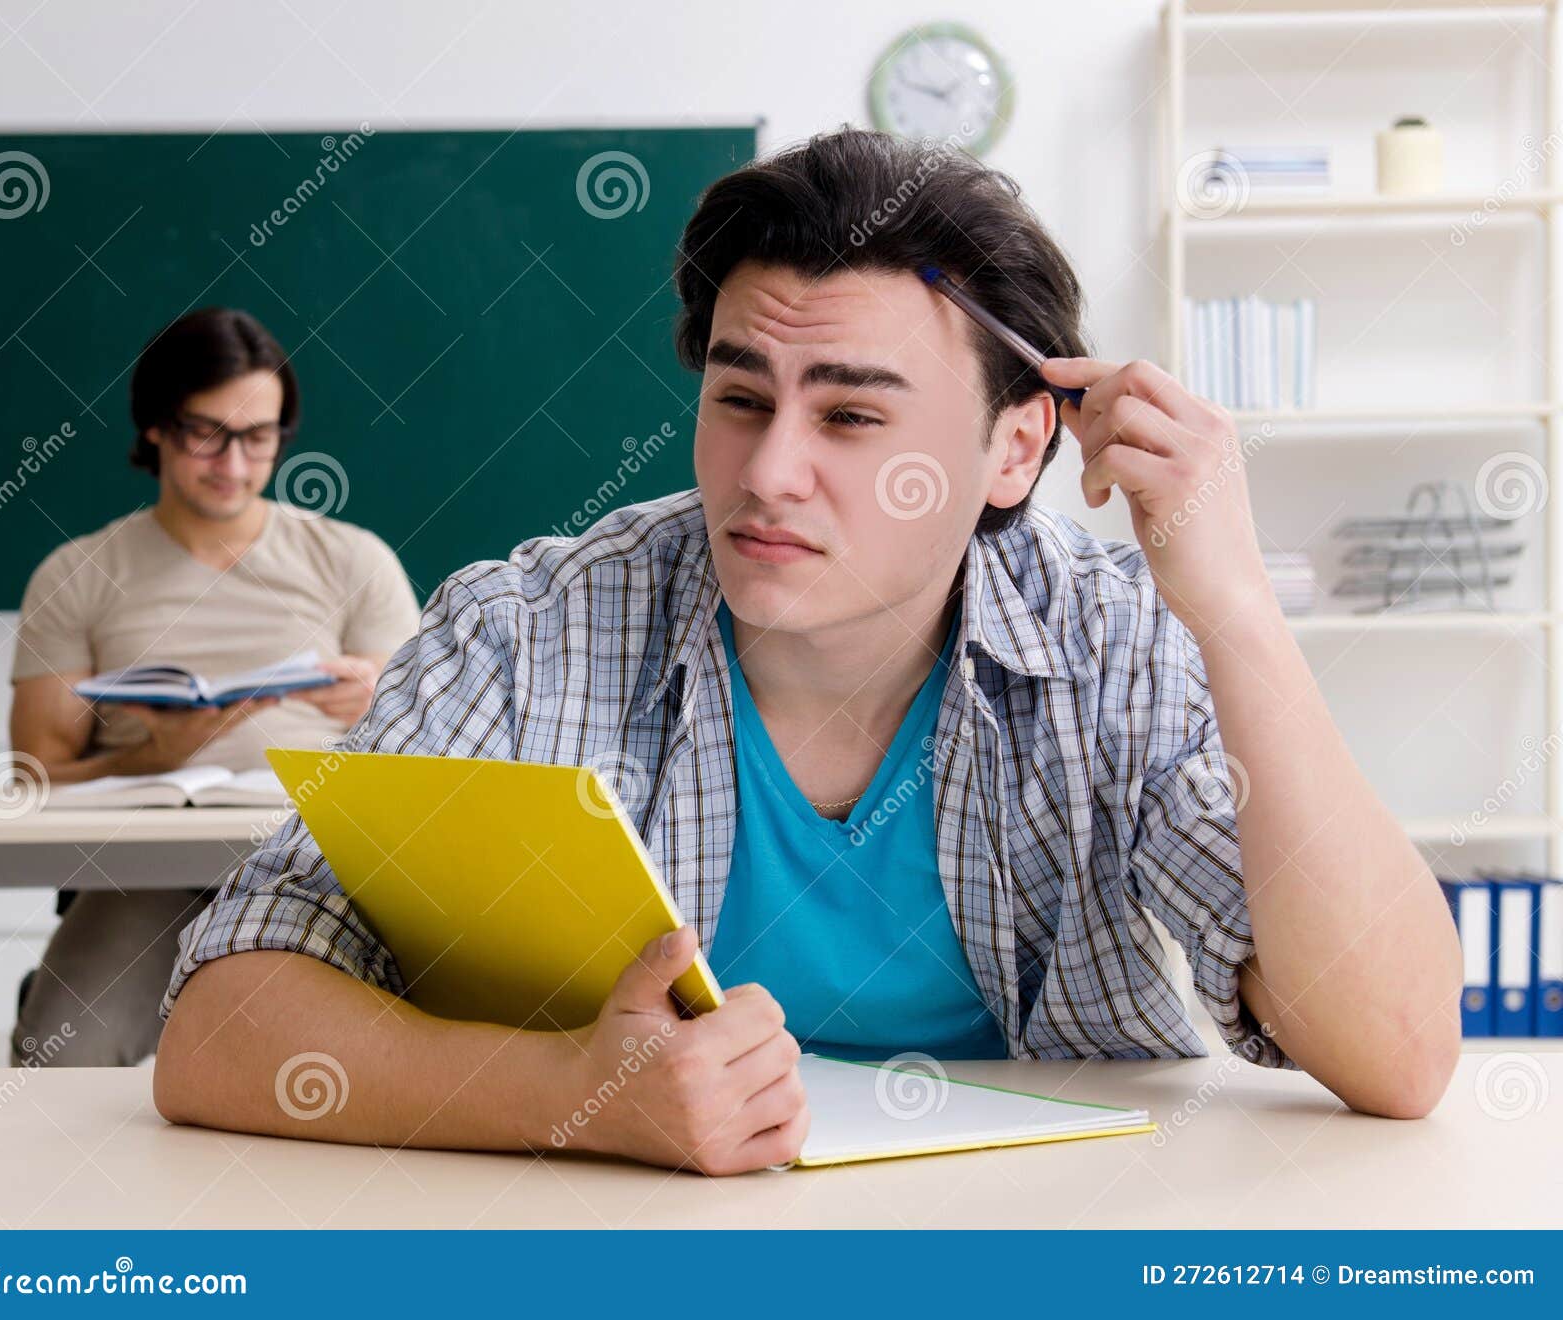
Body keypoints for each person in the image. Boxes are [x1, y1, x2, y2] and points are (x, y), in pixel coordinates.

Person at [153, 130, 1461, 1175]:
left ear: (1013, 453)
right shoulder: (524, 633)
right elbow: (218, 1030)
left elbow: (1400, 1054)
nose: (768, 474)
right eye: (738, 400)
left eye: (850, 415)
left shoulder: (1114, 640)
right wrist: (579, 1096)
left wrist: (1230, 605)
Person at [9, 307, 419, 1067]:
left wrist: (380, 709)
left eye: (257, 437)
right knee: (56, 1057)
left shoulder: (354, 561)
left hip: (314, 867)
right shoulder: (75, 575)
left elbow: (438, 763)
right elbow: (36, 774)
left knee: (358, 1068)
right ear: (156, 427)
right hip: (143, 874)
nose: (232, 462)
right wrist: (147, 759)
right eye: (207, 433)